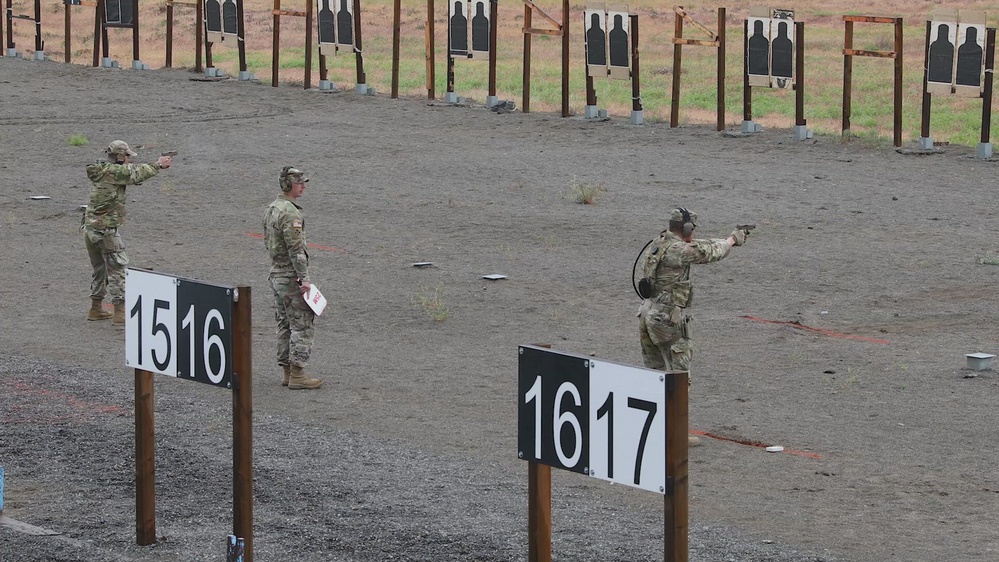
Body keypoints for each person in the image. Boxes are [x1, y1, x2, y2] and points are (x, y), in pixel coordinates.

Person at [636, 208, 750, 445]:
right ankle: (675, 435)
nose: (695, 232)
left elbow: (700, 244)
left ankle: (655, 431)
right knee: (678, 377)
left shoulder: (659, 243)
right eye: (693, 229)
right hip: (666, 319)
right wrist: (732, 240)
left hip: (648, 312)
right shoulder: (679, 250)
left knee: (654, 375)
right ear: (686, 229)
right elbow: (711, 252)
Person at [83, 140, 172, 324]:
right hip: (105, 230)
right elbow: (136, 173)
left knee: (100, 269)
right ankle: (120, 312)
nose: (130, 159)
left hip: (90, 228)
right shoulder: (114, 172)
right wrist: (158, 164)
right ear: (121, 157)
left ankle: (96, 308)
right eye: (128, 156)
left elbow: (131, 175)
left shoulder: (103, 170)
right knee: (118, 269)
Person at [264, 166, 323, 390]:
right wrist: (304, 279)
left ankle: (287, 371)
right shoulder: (290, 212)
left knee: (285, 324)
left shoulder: (272, 209)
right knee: (302, 324)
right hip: (289, 276)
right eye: (299, 183)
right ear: (289, 185)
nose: (303, 187)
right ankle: (297, 372)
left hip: (277, 273)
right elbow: (296, 250)